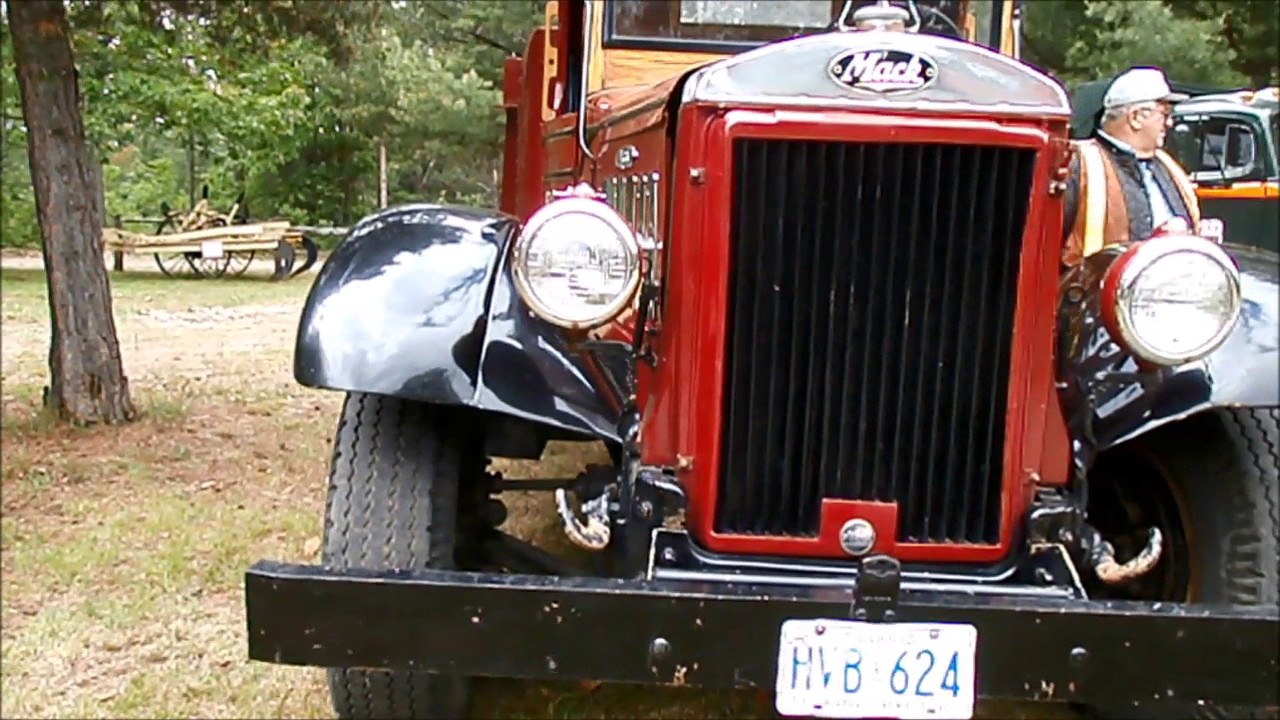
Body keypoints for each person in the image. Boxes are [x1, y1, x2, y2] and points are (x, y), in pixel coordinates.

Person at [1062, 67, 1203, 265]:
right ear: (1136, 117)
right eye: (1164, 114)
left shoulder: (1166, 165)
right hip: (1099, 292)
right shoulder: (1078, 163)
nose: (1170, 123)